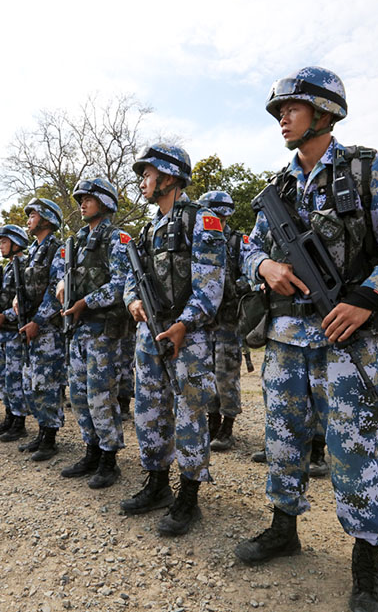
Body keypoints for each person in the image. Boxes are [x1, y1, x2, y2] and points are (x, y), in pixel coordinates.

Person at [235, 67, 378, 612]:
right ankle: (284, 526)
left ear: (325, 113)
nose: (282, 118)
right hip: (285, 338)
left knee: (352, 446)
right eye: (279, 110)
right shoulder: (278, 187)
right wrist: (265, 266)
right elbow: (248, 248)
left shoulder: (367, 169)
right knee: (283, 437)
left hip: (346, 335)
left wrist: (367, 296)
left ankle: (368, 557)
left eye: (292, 108)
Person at [121, 143, 226, 537]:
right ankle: (157, 482)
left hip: (189, 336)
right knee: (150, 410)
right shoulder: (148, 230)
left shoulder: (202, 220)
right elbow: (131, 278)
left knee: (190, 413)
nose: (142, 182)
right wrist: (132, 301)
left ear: (168, 177)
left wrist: (184, 323)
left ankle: (189, 495)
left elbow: (211, 286)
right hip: (150, 334)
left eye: (147, 174)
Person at [53, 178, 133, 488]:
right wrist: (62, 285)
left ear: (105, 202)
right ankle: (91, 451)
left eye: (88, 198)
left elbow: (121, 283)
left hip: (103, 331)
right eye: (81, 199)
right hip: (78, 330)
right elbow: (63, 274)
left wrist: (85, 302)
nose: (82, 204)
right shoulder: (76, 242)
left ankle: (109, 460)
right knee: (79, 396)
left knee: (101, 397)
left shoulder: (117, 239)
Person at [196, 190, 250, 452]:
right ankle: (212, 421)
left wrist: (235, 287)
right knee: (206, 373)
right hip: (204, 321)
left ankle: (227, 427)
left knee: (226, 375)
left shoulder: (239, 242)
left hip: (228, 321)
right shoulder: (199, 240)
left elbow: (252, 275)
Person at [15, 199, 66, 461]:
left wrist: (38, 320)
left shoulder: (57, 249)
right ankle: (41, 431)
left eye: (33, 215)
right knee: (31, 383)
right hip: (31, 326)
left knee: (47, 384)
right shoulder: (34, 250)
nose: (28, 220)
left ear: (46, 219)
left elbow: (55, 289)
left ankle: (50, 437)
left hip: (47, 329)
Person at [0, 224, 31, 440]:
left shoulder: (25, 265)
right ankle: (9, 417)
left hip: (15, 331)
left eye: (4, 242)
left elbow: (26, 298)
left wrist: (6, 315)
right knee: (2, 378)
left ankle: (19, 422)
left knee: (15, 379)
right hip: (2, 332)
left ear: (16, 243)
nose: (1, 246)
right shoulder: (4, 269)